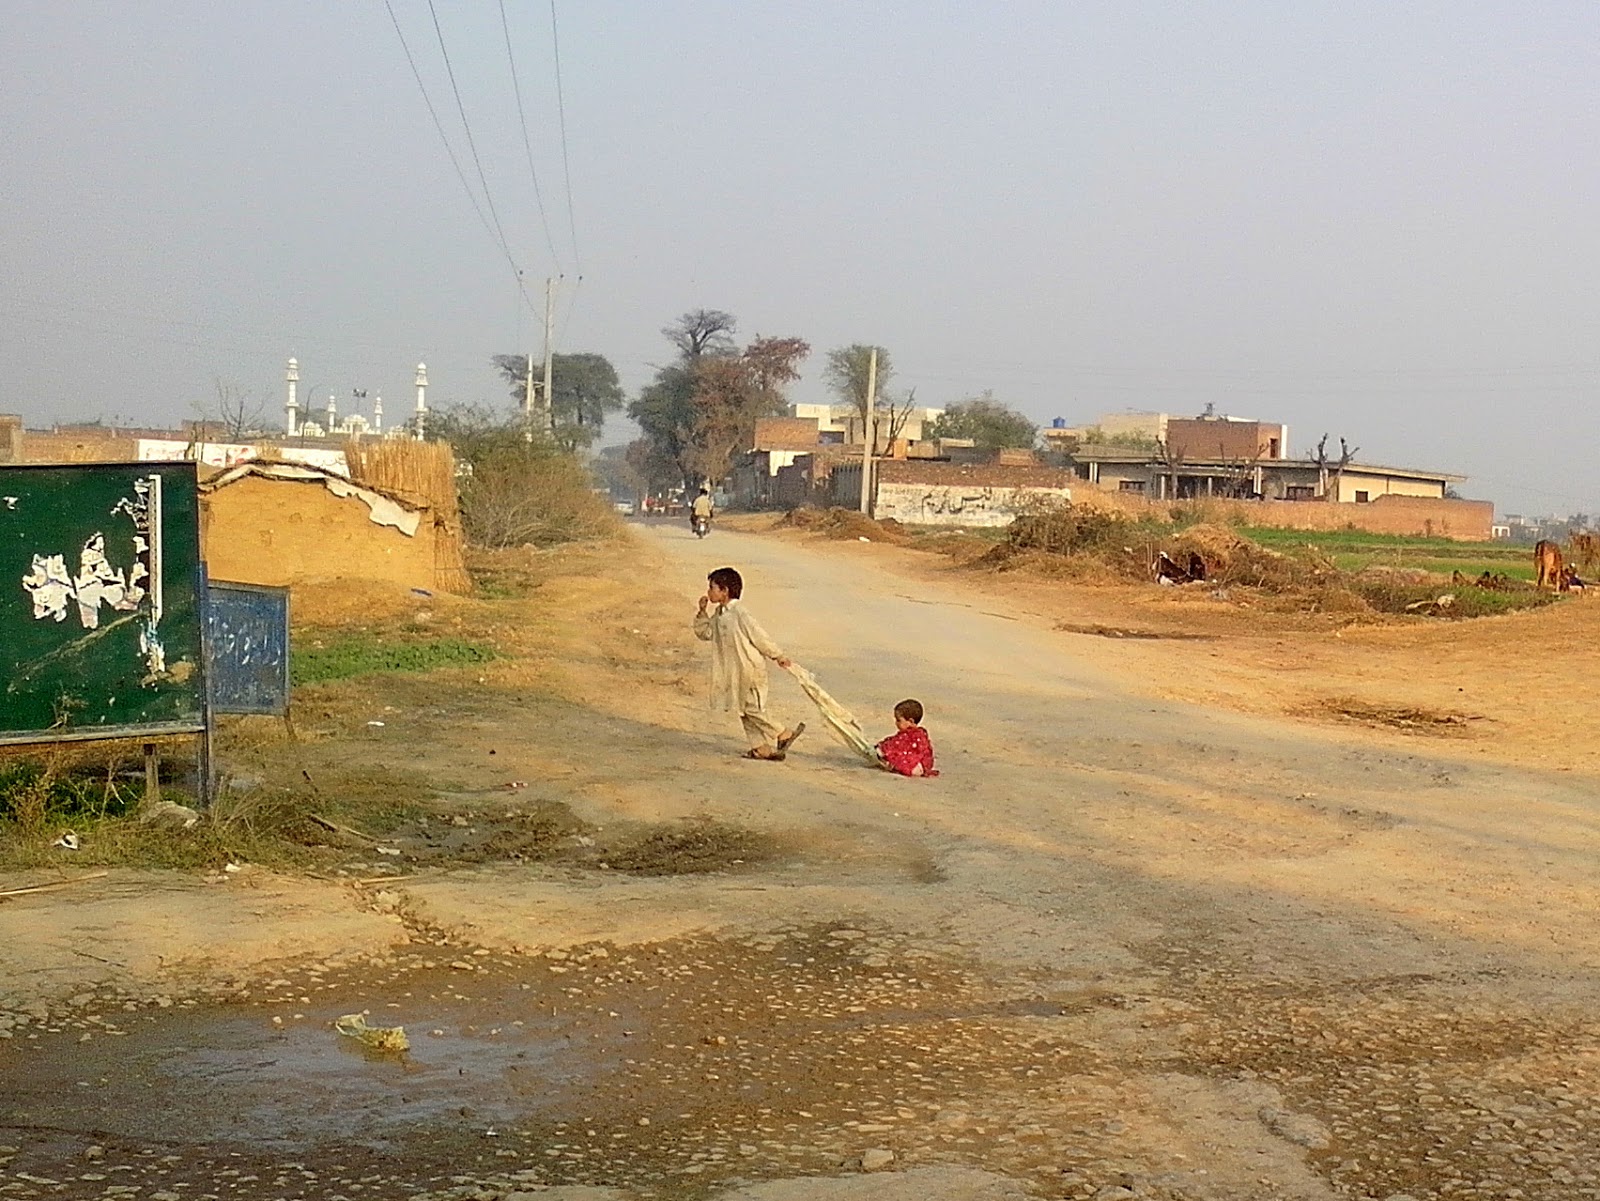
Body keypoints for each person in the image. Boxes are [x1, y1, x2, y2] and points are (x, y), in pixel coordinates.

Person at [693, 566, 805, 761]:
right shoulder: (720, 614)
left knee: (752, 708)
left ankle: (782, 733)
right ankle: (760, 747)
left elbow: (759, 636)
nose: (709, 592)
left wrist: (777, 655)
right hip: (735, 671)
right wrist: (702, 612)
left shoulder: (740, 613)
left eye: (712, 588)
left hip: (750, 669)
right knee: (743, 709)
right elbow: (706, 633)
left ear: (725, 591)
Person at [875, 699, 938, 777]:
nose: (896, 723)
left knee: (889, 756)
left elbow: (895, 744)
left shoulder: (907, 735)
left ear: (911, 721)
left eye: (899, 720)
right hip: (923, 766)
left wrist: (881, 749)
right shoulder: (921, 733)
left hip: (912, 766)